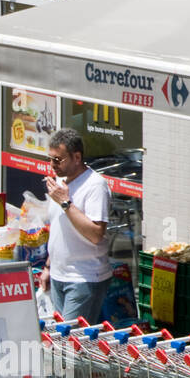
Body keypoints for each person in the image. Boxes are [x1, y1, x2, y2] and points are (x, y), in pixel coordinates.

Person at [40, 129, 112, 324]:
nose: (53, 165)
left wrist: (65, 203)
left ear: (77, 157)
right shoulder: (60, 181)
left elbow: (96, 234)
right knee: (62, 342)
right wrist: (48, 267)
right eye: (51, 159)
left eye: (58, 160)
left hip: (84, 277)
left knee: (70, 345)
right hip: (58, 275)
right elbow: (59, 229)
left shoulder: (95, 186)